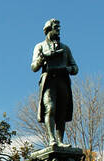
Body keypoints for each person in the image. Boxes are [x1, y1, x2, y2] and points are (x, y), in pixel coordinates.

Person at [31, 18, 79, 146]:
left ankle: (61, 141)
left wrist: (67, 69)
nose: (58, 31)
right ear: (48, 30)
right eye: (55, 28)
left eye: (59, 29)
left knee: (61, 112)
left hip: (62, 81)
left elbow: (75, 68)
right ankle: (52, 140)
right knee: (50, 108)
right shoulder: (40, 46)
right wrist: (44, 57)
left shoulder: (65, 48)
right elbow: (34, 67)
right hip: (49, 81)